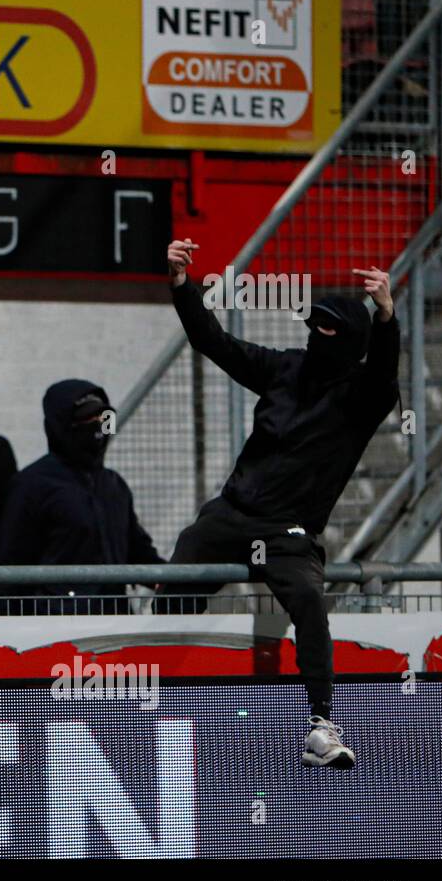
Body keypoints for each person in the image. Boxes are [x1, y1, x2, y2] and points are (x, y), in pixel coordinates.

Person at [157, 238, 399, 769]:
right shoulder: (285, 368)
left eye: (329, 328)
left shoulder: (362, 396)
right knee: (182, 562)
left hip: (287, 529)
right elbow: (215, 343)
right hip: (233, 512)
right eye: (313, 324)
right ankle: (151, 682)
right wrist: (181, 285)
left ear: (352, 339)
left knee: (310, 601)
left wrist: (385, 315)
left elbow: (383, 371)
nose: (317, 334)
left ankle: (321, 723)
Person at [0, 379, 163, 614]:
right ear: (62, 425)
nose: (97, 426)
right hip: (56, 628)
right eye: (87, 419)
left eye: (103, 419)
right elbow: (11, 570)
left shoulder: (114, 486)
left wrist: (176, 579)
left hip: (114, 624)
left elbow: (138, 551)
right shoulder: (31, 486)